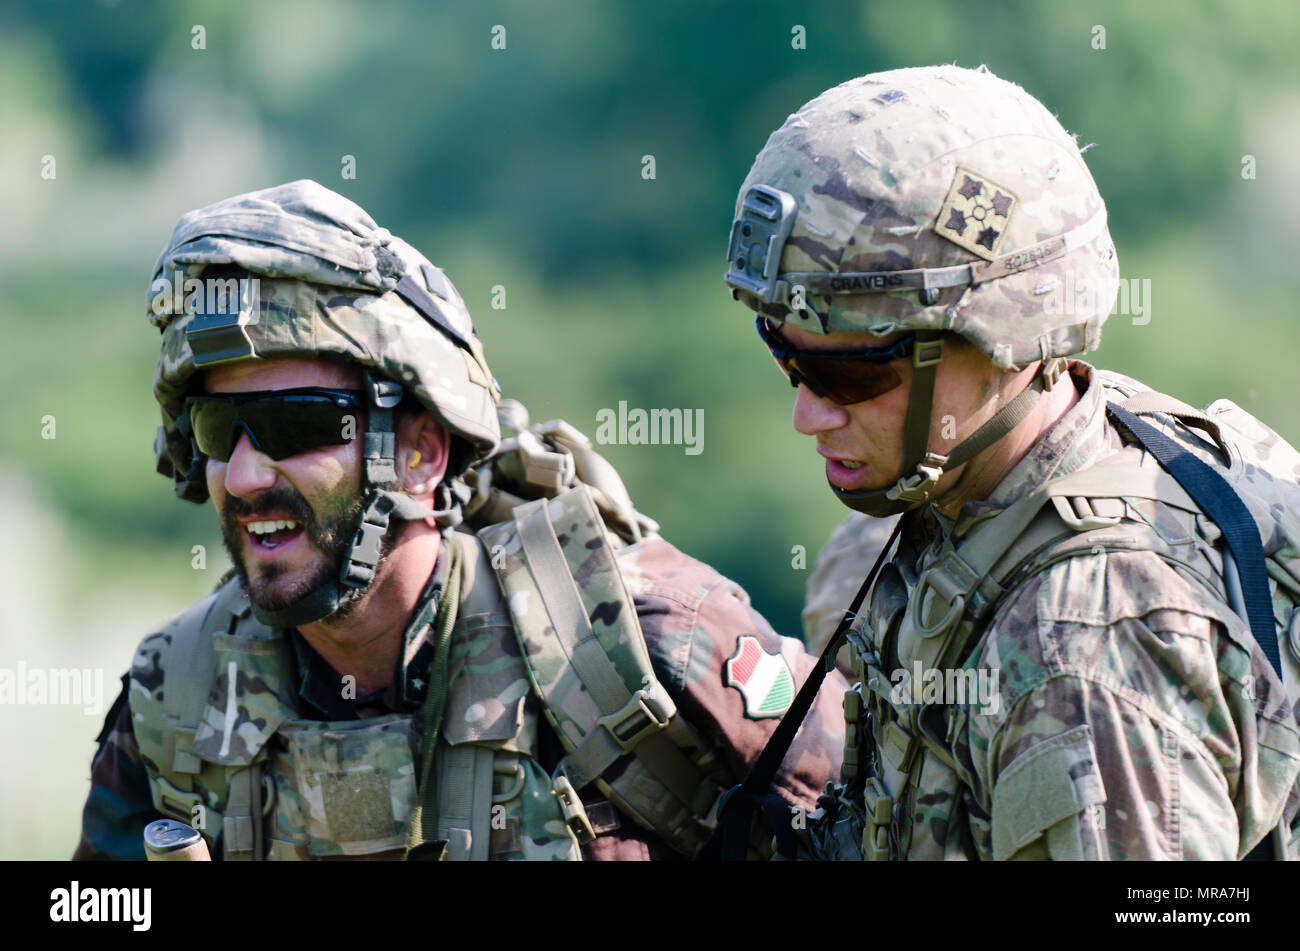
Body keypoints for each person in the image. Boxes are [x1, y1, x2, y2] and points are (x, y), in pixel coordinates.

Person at [74, 179, 845, 861]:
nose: (243, 474)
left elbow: (886, 819)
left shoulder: (629, 651)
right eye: (216, 430)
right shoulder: (175, 696)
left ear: (421, 452)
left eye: (292, 427)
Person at [723, 65, 1300, 860]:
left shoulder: (1085, 666)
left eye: (851, 373)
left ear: (1006, 344)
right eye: (787, 357)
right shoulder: (998, 472)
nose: (806, 414)